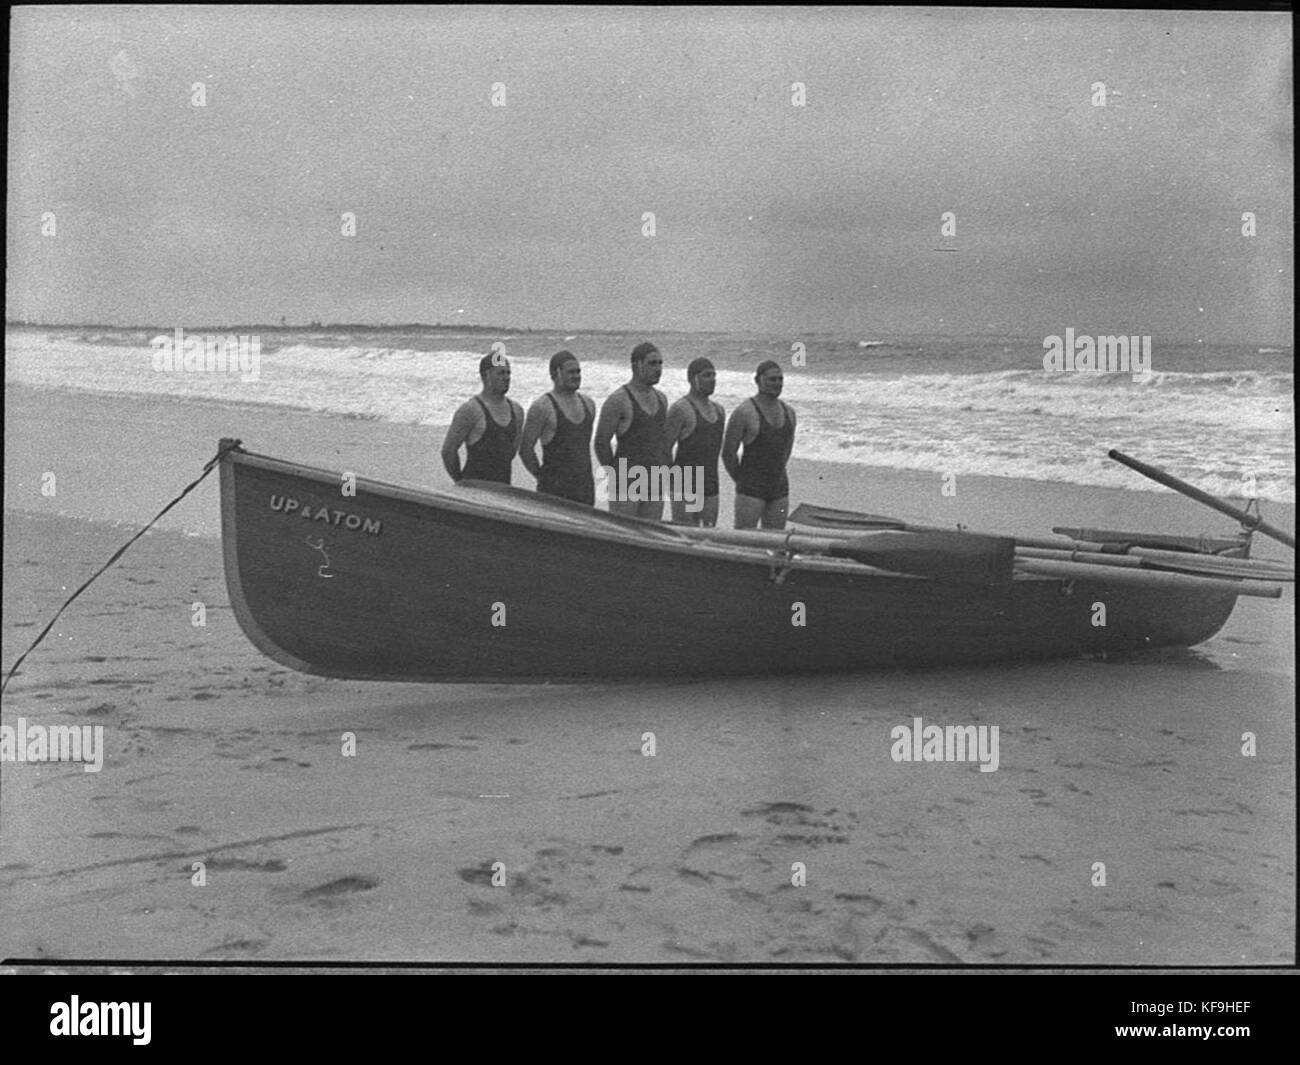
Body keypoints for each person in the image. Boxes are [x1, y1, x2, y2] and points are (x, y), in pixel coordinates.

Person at [594, 341, 670, 519]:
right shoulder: (619, 400)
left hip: (654, 482)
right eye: (652, 363)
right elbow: (601, 442)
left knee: (652, 533)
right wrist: (615, 476)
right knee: (624, 532)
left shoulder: (662, 399)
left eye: (660, 363)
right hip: (626, 484)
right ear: (636, 366)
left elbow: (660, 440)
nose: (658, 368)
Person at [723, 360, 796, 529]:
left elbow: (786, 450)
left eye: (780, 379)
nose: (777, 383)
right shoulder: (745, 412)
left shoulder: (789, 413)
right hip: (751, 491)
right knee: (744, 539)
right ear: (758, 381)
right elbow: (728, 453)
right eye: (772, 379)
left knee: (776, 541)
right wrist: (742, 481)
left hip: (779, 489)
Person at [519, 350, 596, 505]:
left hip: (585, 488)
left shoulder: (589, 404)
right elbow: (525, 449)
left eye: (578, 371)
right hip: (554, 490)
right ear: (556, 374)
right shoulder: (543, 407)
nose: (576, 376)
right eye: (571, 372)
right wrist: (542, 476)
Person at [440, 349, 524, 484]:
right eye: (501, 373)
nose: (506, 377)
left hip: (503, 488)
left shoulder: (517, 411)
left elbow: (510, 453)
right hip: (475, 489)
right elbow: (448, 451)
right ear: (486, 376)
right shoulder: (471, 410)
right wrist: (460, 482)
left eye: (508, 373)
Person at [666, 357, 724, 526]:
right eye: (706, 375)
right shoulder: (681, 408)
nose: (712, 380)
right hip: (685, 485)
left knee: (708, 535)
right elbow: (664, 448)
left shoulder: (719, 411)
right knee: (685, 534)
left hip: (710, 484)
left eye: (714, 375)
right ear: (692, 379)